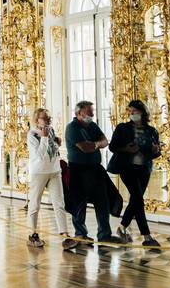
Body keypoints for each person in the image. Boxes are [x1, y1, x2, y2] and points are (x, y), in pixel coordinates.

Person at [107, 99, 161, 246]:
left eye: (135, 111)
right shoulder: (122, 128)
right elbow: (112, 147)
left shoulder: (152, 131)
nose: (132, 114)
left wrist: (156, 151)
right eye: (130, 112)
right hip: (126, 167)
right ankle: (147, 236)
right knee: (138, 199)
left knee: (136, 200)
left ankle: (122, 227)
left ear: (142, 112)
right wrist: (126, 149)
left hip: (144, 169)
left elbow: (157, 152)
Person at [64, 100, 111, 245]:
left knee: (102, 201)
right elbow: (85, 147)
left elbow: (105, 141)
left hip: (95, 169)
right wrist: (96, 144)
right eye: (89, 111)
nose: (92, 114)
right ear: (79, 113)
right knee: (79, 203)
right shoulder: (72, 128)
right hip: (78, 170)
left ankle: (104, 235)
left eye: (92, 111)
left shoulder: (92, 125)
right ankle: (81, 234)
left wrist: (95, 144)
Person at [25, 107, 69, 247]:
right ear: (37, 120)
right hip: (39, 172)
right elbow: (39, 154)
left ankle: (64, 234)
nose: (48, 120)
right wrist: (44, 138)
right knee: (35, 204)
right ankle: (32, 234)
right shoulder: (31, 134)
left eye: (49, 118)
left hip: (54, 171)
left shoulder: (50, 130)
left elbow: (53, 150)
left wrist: (56, 142)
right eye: (45, 118)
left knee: (59, 203)